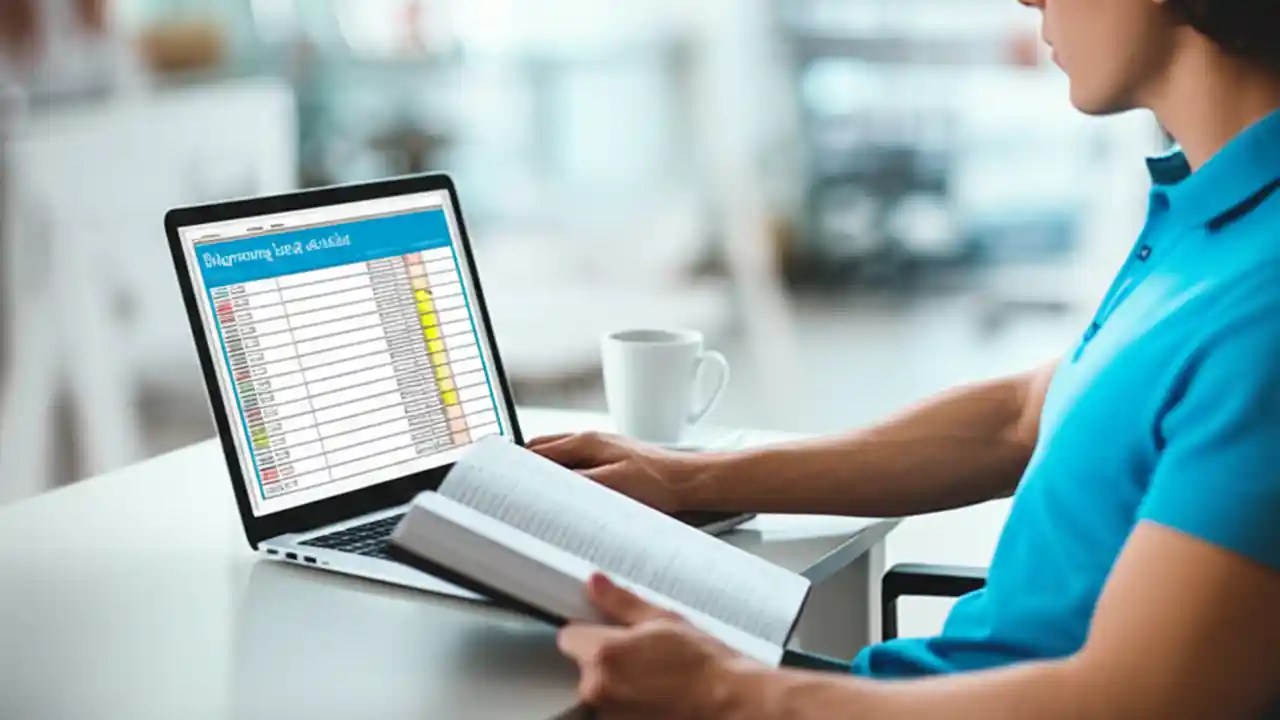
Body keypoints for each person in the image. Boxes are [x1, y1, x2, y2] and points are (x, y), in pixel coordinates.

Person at [529, 0, 1280, 717]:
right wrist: (686, 478)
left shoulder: (1263, 302)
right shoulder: (1220, 212)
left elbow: (1142, 704)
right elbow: (1024, 416)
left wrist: (725, 696)